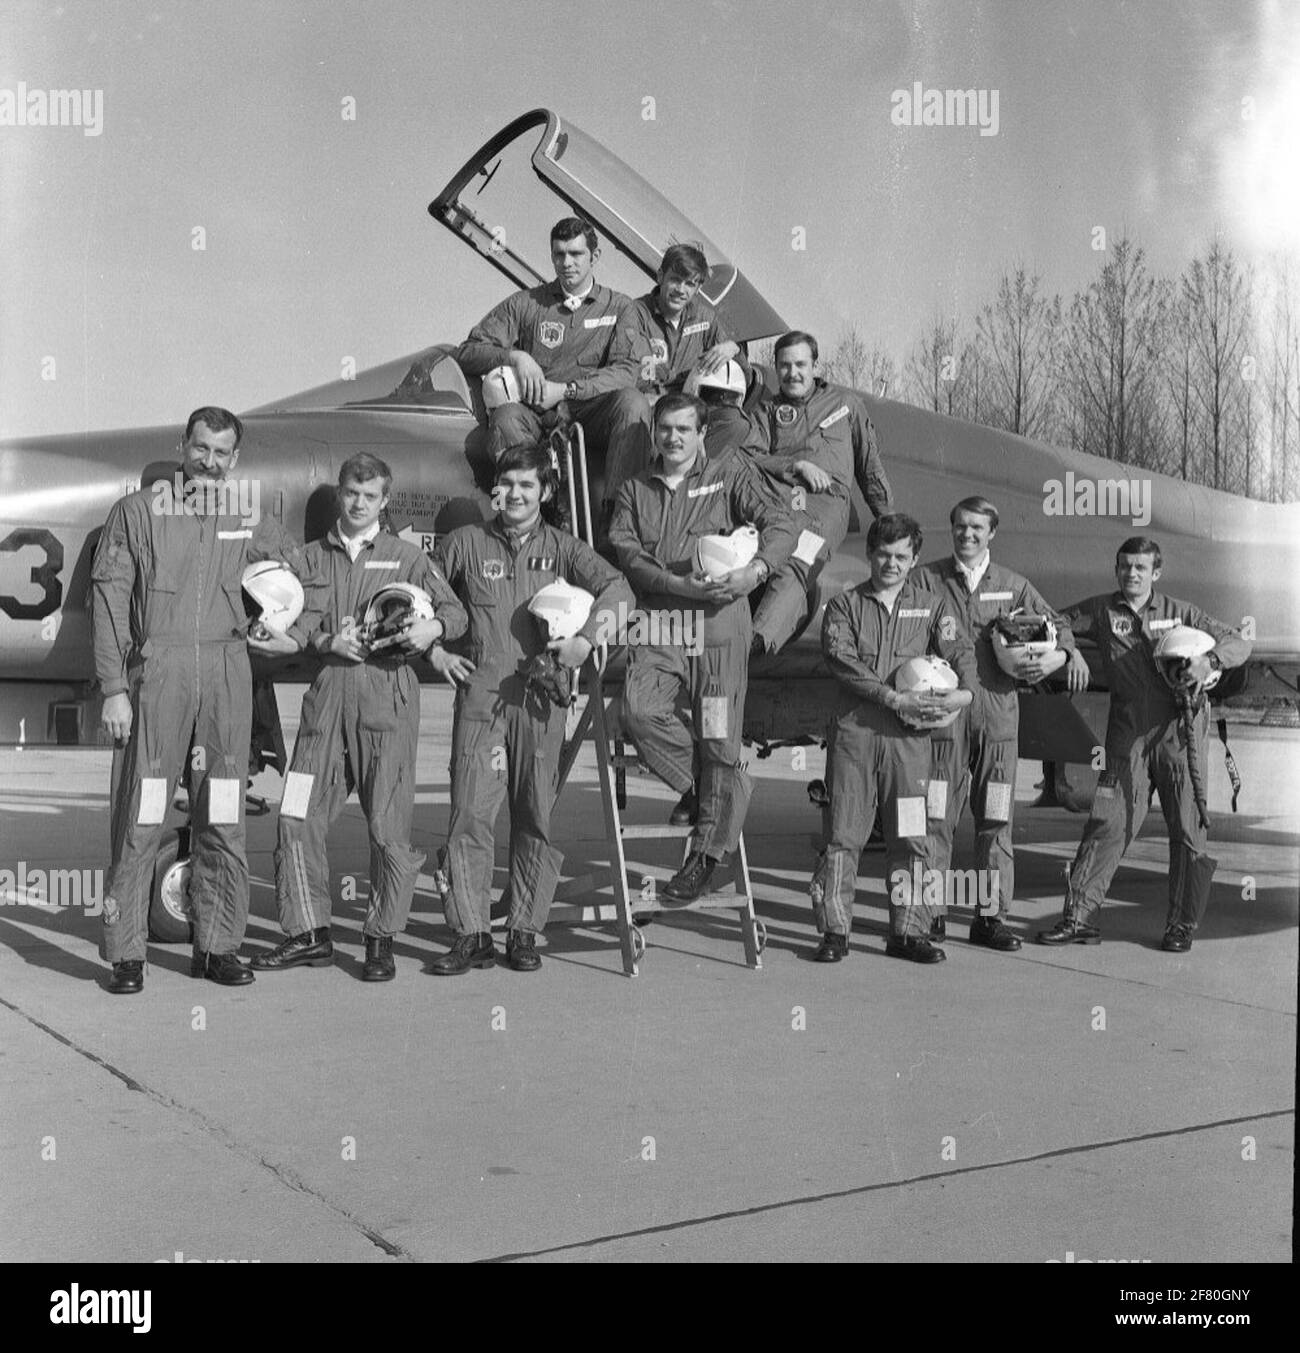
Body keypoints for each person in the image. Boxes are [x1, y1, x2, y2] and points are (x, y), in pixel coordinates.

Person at [92, 406, 306, 994]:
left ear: (235, 460)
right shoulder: (138, 513)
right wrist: (114, 687)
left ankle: (218, 947)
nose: (210, 462)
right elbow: (110, 601)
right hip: (158, 675)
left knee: (225, 812)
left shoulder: (245, 517)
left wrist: (292, 629)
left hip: (228, 675)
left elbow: (303, 572)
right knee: (144, 812)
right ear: (183, 447)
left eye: (222, 453)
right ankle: (126, 953)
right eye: (201, 449)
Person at [249, 455, 467, 981]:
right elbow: (290, 624)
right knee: (296, 816)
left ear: (385, 501)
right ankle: (308, 932)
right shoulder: (307, 560)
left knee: (389, 829)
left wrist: (432, 630)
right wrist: (323, 639)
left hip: (386, 701)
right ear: (340, 493)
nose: (358, 503)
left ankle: (380, 939)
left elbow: (456, 612)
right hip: (326, 702)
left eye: (369, 496)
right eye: (350, 492)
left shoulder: (407, 558)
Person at [428, 444, 635, 973]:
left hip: (543, 704)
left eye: (527, 485)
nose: (515, 494)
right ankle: (471, 933)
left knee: (534, 819)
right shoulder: (465, 545)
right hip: (482, 701)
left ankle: (524, 930)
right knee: (469, 818)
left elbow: (619, 590)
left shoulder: (565, 550)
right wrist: (434, 649)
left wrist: (587, 640)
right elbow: (419, 594)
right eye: (507, 484)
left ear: (545, 491)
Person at [610, 392, 796, 902]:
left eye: (684, 429)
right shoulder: (633, 491)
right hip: (664, 617)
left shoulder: (728, 476)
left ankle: (705, 858)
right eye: (665, 429)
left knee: (718, 735)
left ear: (700, 433)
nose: (673, 438)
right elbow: (628, 553)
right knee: (639, 709)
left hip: (719, 625)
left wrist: (753, 573)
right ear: (654, 432)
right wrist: (680, 586)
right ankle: (703, 786)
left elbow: (784, 525)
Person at [1037, 537, 1251, 952]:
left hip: (1179, 732)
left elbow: (1239, 641)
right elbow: (1053, 619)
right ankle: (1078, 917)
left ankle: (1181, 926)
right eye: (1125, 567)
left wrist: (1211, 661)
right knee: (1107, 824)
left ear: (1156, 572)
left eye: (1140, 568)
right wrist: (1070, 652)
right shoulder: (1102, 609)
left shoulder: (1180, 612)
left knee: (1189, 830)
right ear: (1116, 570)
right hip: (1127, 733)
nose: (1131, 574)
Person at [812, 513, 978, 964]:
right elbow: (842, 660)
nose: (891, 564)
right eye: (883, 554)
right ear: (869, 554)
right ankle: (834, 931)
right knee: (844, 834)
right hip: (856, 737)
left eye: (901, 556)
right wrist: (892, 698)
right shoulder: (844, 607)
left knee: (912, 835)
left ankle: (908, 931)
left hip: (909, 746)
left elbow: (961, 650)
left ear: (914, 559)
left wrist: (963, 693)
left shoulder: (932, 606)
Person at [918, 496, 1078, 951]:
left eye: (976, 528)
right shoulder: (925, 580)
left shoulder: (1012, 585)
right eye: (960, 527)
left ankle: (990, 919)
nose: (967, 535)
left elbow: (1059, 625)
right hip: (943, 723)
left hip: (998, 721)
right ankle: (929, 915)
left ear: (992, 533)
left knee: (995, 819)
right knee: (935, 818)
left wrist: (1061, 657)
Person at [456, 216, 651, 507]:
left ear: (594, 256)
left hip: (590, 411)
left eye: (575, 254)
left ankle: (619, 515)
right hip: (537, 415)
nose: (566, 262)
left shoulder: (621, 307)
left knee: (633, 403)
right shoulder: (527, 304)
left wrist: (566, 390)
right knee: (505, 418)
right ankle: (533, 516)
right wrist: (515, 356)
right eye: (559, 254)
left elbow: (626, 372)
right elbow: (468, 351)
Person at [737, 330, 893, 655]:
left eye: (800, 365)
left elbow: (869, 466)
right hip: (776, 498)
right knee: (750, 552)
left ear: (815, 365)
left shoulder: (845, 405)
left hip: (825, 506)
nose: (792, 373)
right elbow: (748, 456)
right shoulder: (766, 412)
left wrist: (890, 523)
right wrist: (796, 465)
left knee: (800, 558)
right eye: (784, 366)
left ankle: (754, 644)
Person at [631, 243, 739, 399]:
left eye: (689, 284)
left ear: (698, 288)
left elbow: (743, 375)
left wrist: (733, 348)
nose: (680, 290)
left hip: (689, 408)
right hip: (644, 404)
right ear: (661, 276)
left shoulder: (706, 320)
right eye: (675, 280)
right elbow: (621, 371)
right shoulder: (635, 314)